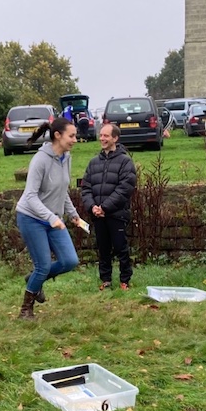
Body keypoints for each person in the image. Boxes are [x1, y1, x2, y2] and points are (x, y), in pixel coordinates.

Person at [16, 118, 82, 319]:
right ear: (57, 135)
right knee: (43, 265)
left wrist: (73, 214)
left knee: (70, 260)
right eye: (71, 136)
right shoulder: (40, 160)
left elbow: (62, 191)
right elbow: (30, 196)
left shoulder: (66, 157)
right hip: (31, 218)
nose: (75, 140)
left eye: (75, 136)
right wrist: (50, 217)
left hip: (54, 219)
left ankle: (35, 279)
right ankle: (26, 310)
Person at [81, 123, 137, 291]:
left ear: (115, 138)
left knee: (121, 249)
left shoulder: (125, 161)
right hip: (98, 216)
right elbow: (85, 187)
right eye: (101, 135)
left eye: (106, 136)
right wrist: (92, 207)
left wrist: (105, 207)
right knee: (103, 249)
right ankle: (105, 280)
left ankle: (125, 281)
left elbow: (125, 188)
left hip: (117, 214)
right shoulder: (93, 163)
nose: (102, 139)